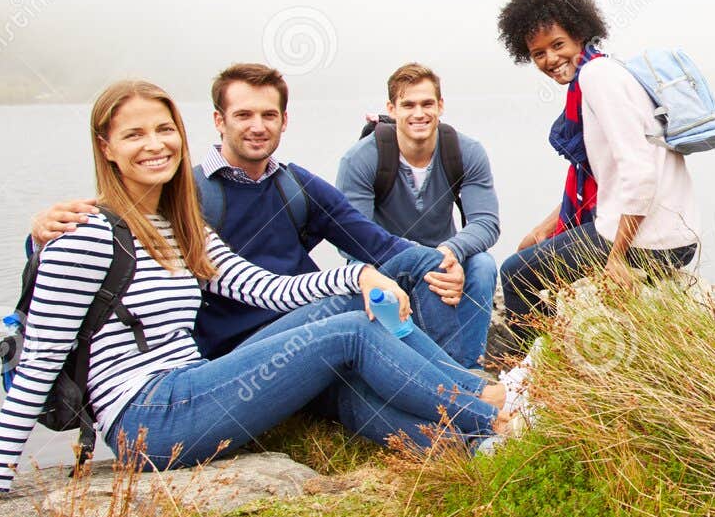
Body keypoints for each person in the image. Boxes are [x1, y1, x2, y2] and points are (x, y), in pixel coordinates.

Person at [0, 79, 512, 517]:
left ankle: (475, 444)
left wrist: (361, 276)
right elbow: (39, 361)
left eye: (164, 130)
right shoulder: (85, 234)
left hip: (197, 381)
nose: (155, 145)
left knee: (351, 322)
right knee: (353, 335)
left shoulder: (178, 224)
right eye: (134, 135)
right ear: (106, 148)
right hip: (147, 417)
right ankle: (492, 402)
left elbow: (264, 288)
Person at [28, 63, 480, 370]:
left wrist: (439, 264)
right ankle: (465, 390)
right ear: (218, 121)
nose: (257, 126)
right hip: (237, 353)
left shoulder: (295, 184)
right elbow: (116, 230)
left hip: (311, 326)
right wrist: (39, 235)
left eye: (269, 114)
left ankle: (461, 382)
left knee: (420, 264)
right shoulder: (183, 190)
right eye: (243, 114)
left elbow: (376, 244)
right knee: (353, 300)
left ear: (285, 122)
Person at [494, 0, 700, 339]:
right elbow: (607, 180)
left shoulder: (595, 78)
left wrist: (616, 257)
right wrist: (549, 226)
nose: (550, 60)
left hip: (651, 243)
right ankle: (558, 348)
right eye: (538, 53)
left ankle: (535, 365)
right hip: (671, 235)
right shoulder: (604, 70)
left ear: (579, 34)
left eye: (557, 45)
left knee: (515, 274)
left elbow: (640, 173)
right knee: (533, 258)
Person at [337, 63, 500, 368]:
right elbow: (350, 240)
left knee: (482, 264)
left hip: (443, 260)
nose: (419, 113)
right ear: (391, 109)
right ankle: (391, 362)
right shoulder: (360, 159)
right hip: (386, 262)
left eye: (427, 103)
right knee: (359, 267)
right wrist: (422, 258)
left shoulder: (466, 151)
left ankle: (468, 370)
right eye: (408, 105)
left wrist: (451, 250)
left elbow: (486, 222)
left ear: (440, 106)